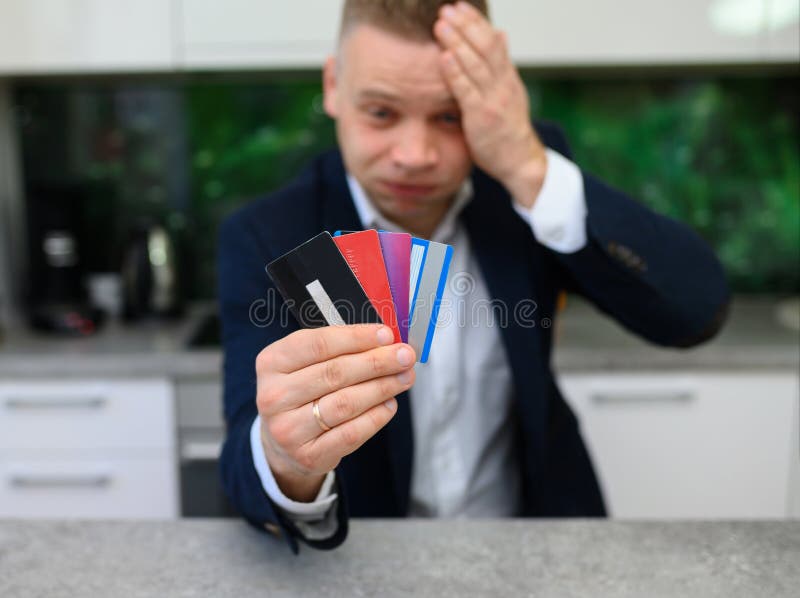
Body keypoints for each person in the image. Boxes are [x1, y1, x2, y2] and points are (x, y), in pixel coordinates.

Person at [217, 0, 729, 553]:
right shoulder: (273, 233)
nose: (414, 156)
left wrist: (527, 165)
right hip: (365, 560)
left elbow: (694, 311)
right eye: (382, 114)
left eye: (451, 115)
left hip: (535, 544)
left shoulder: (518, 183)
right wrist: (286, 458)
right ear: (334, 85)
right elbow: (246, 472)